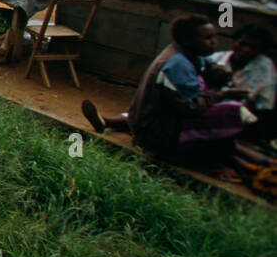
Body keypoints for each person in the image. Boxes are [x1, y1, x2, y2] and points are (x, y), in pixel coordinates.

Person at [81, 15, 266, 176]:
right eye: (208, 38)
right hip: (157, 134)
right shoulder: (177, 65)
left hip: (154, 119)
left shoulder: (191, 53)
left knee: (224, 121)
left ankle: (236, 151)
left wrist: (227, 75)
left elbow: (210, 69)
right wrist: (222, 95)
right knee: (233, 114)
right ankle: (165, 149)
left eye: (214, 37)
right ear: (188, 40)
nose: (214, 42)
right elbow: (191, 108)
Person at [208, 24, 277, 140]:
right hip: (209, 112)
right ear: (234, 41)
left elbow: (265, 107)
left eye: (252, 47)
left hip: (243, 120)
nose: (245, 50)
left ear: (260, 50)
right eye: (242, 44)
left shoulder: (265, 68)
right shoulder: (216, 59)